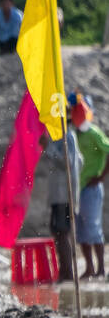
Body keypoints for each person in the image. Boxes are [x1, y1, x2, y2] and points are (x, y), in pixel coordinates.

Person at [71, 93, 108, 278]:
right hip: (79, 187)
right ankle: (89, 268)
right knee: (82, 230)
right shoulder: (75, 134)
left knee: (93, 228)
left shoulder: (93, 133)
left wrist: (101, 177)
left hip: (91, 187)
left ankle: (101, 268)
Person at [43, 131, 83, 282]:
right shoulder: (61, 136)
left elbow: (69, 161)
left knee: (62, 232)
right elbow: (80, 161)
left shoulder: (66, 136)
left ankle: (68, 274)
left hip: (63, 195)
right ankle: (64, 271)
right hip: (59, 194)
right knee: (57, 231)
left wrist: (49, 148)